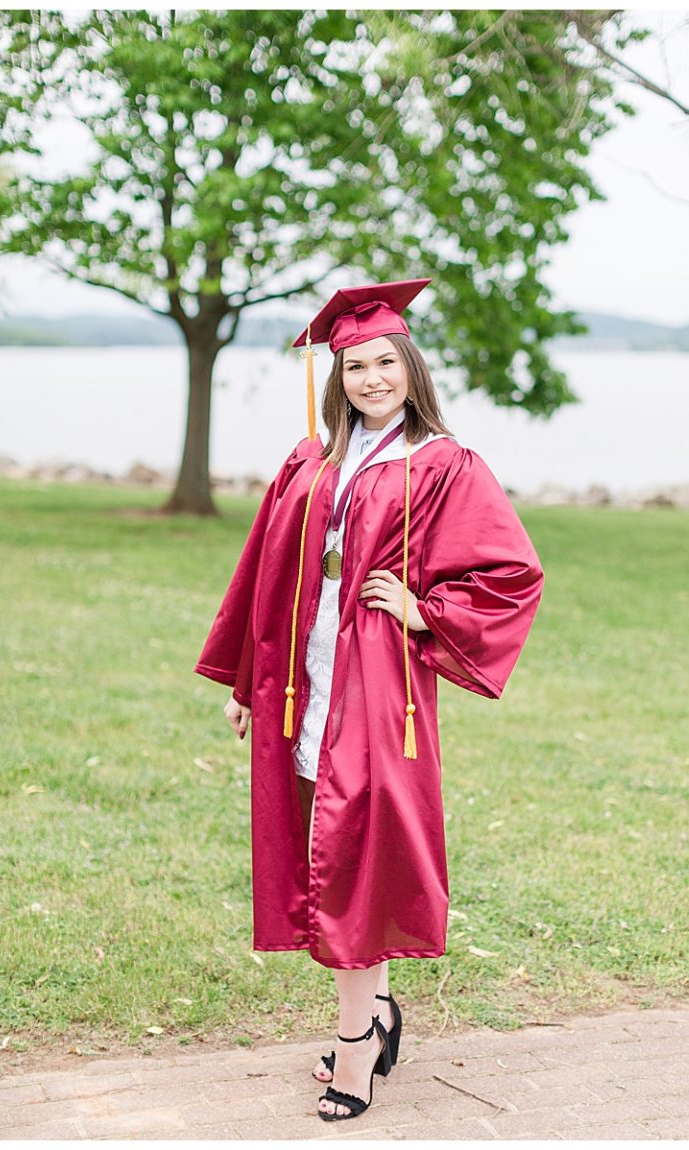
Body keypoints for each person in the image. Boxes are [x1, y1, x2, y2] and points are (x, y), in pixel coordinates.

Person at [196, 278, 544, 1121]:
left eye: (386, 361)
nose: (371, 379)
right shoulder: (309, 460)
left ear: (411, 368)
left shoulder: (441, 465)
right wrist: (248, 679)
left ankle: (356, 1049)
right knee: (332, 848)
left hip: (379, 690)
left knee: (355, 857)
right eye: (355, 365)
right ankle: (379, 1016)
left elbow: (510, 573)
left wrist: (427, 612)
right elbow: (263, 575)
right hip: (300, 686)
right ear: (338, 376)